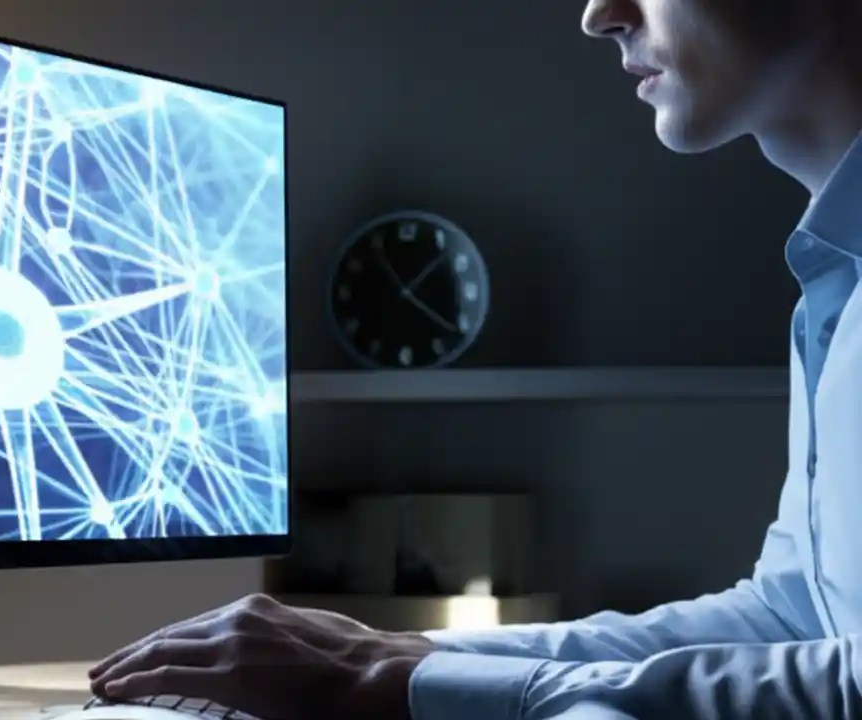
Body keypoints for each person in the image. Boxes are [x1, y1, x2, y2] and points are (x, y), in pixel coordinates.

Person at [87, 0, 862, 717]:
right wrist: (406, 653)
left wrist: (396, 680)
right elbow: (787, 618)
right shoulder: (835, 280)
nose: (600, 14)